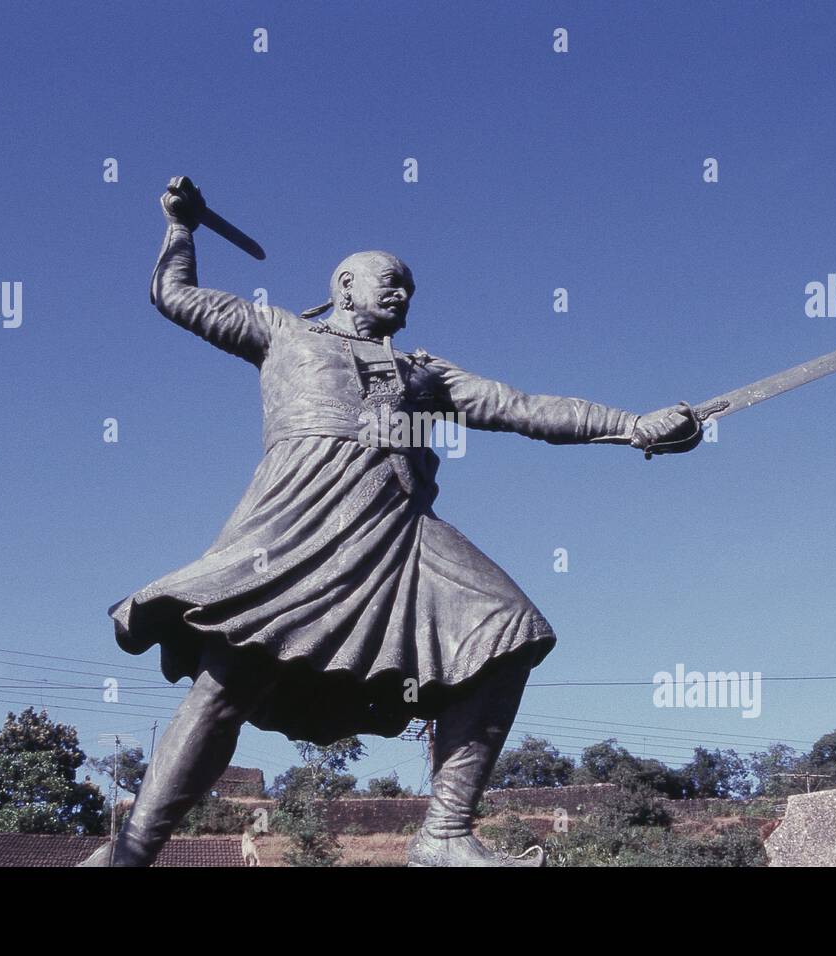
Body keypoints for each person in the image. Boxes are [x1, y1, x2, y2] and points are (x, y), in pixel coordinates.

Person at [80, 176, 702, 867]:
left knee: (509, 632)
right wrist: (181, 228)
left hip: (400, 529)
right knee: (229, 684)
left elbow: (525, 407)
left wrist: (634, 427)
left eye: (409, 286)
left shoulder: (423, 373)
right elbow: (177, 298)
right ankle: (132, 850)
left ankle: (443, 834)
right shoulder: (283, 333)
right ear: (344, 287)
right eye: (388, 281)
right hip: (295, 522)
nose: (402, 293)